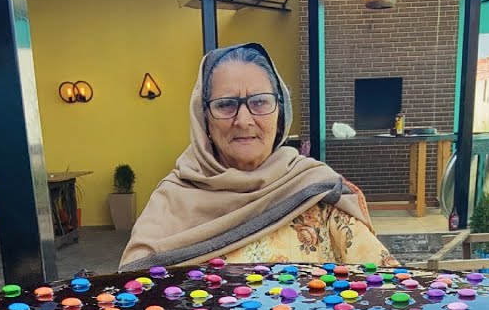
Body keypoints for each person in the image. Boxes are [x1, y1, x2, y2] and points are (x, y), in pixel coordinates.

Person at [118, 43, 396, 271]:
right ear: (204, 120)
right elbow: (137, 295)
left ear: (280, 113)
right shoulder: (173, 200)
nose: (243, 120)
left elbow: (382, 283)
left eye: (260, 102)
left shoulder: (315, 187)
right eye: (226, 104)